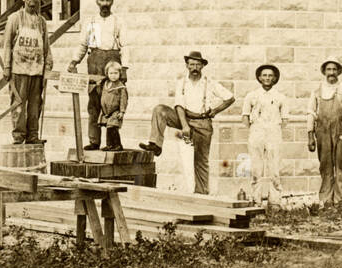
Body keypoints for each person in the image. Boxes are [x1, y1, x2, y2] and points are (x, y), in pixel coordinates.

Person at [140, 51, 236, 195]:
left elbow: (230, 98)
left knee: (201, 161)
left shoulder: (210, 83)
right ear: (187, 66)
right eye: (191, 64)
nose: (194, 67)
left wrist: (215, 111)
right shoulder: (182, 82)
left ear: (203, 66)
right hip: (184, 117)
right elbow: (179, 105)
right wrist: (184, 126)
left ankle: (201, 194)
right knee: (160, 110)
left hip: (202, 122)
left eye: (198, 64)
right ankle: (156, 145)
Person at [68, 0, 127, 151]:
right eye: (102, 0)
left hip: (112, 63)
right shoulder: (91, 21)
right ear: (97, 2)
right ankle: (94, 141)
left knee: (112, 103)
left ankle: (111, 143)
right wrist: (74, 61)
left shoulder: (118, 21)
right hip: (94, 62)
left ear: (112, 2)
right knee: (94, 102)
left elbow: (125, 46)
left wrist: (125, 69)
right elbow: (83, 44)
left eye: (108, 0)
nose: (105, 4)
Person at [1, 0, 52, 145]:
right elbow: (8, 43)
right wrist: (7, 67)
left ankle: (33, 136)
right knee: (18, 105)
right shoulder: (15, 18)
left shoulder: (42, 21)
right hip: (18, 69)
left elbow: (46, 47)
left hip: (36, 70)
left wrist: (48, 67)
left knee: (35, 106)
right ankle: (18, 136)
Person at [308, 58, 342, 205]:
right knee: (325, 165)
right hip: (322, 131)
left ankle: (340, 200)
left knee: (341, 165)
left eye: (334, 69)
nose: (331, 72)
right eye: (328, 69)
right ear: (324, 72)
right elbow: (311, 113)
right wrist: (310, 136)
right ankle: (325, 199)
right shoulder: (317, 91)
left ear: (338, 72)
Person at [242, 64, 288, 205]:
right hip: (256, 133)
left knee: (274, 168)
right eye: (264, 75)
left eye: (270, 76)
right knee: (256, 168)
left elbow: (284, 119)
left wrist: (273, 129)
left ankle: (274, 201)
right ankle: (256, 200)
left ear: (274, 78)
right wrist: (256, 129)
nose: (267, 78)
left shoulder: (280, 97)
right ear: (260, 77)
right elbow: (245, 117)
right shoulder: (252, 96)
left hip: (274, 133)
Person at [98, 60, 129, 151]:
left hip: (116, 111)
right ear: (107, 73)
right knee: (108, 128)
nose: (113, 75)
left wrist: (122, 111)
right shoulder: (106, 84)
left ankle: (118, 145)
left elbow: (124, 100)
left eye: (116, 73)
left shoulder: (120, 86)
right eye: (111, 73)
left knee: (113, 128)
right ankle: (109, 145)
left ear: (120, 73)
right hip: (106, 111)